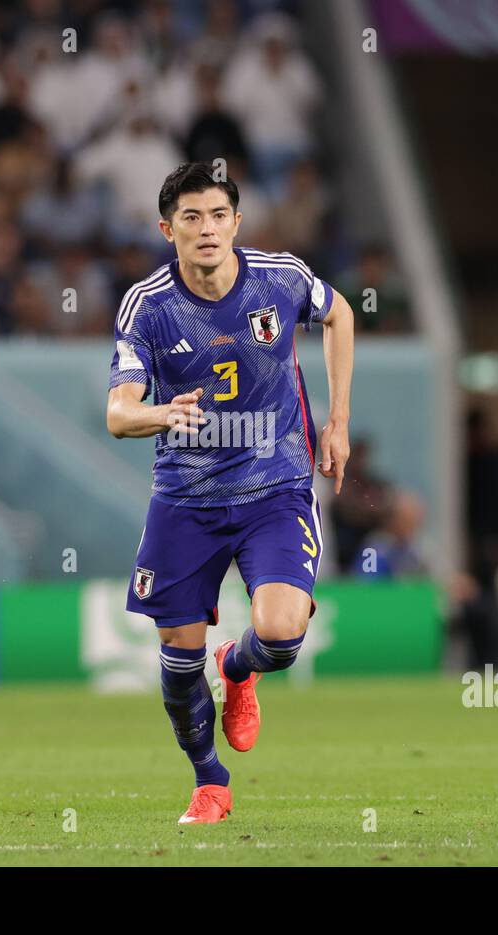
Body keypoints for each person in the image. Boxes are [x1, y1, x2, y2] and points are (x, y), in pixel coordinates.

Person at [105, 162, 354, 824]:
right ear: (168, 229)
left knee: (280, 634)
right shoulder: (148, 306)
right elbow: (118, 413)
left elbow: (341, 315)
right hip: (185, 500)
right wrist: (162, 413)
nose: (207, 229)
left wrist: (337, 422)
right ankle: (209, 781)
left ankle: (238, 668)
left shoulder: (282, 279)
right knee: (177, 660)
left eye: (218, 215)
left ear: (237, 223)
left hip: (275, 487)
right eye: (191, 217)